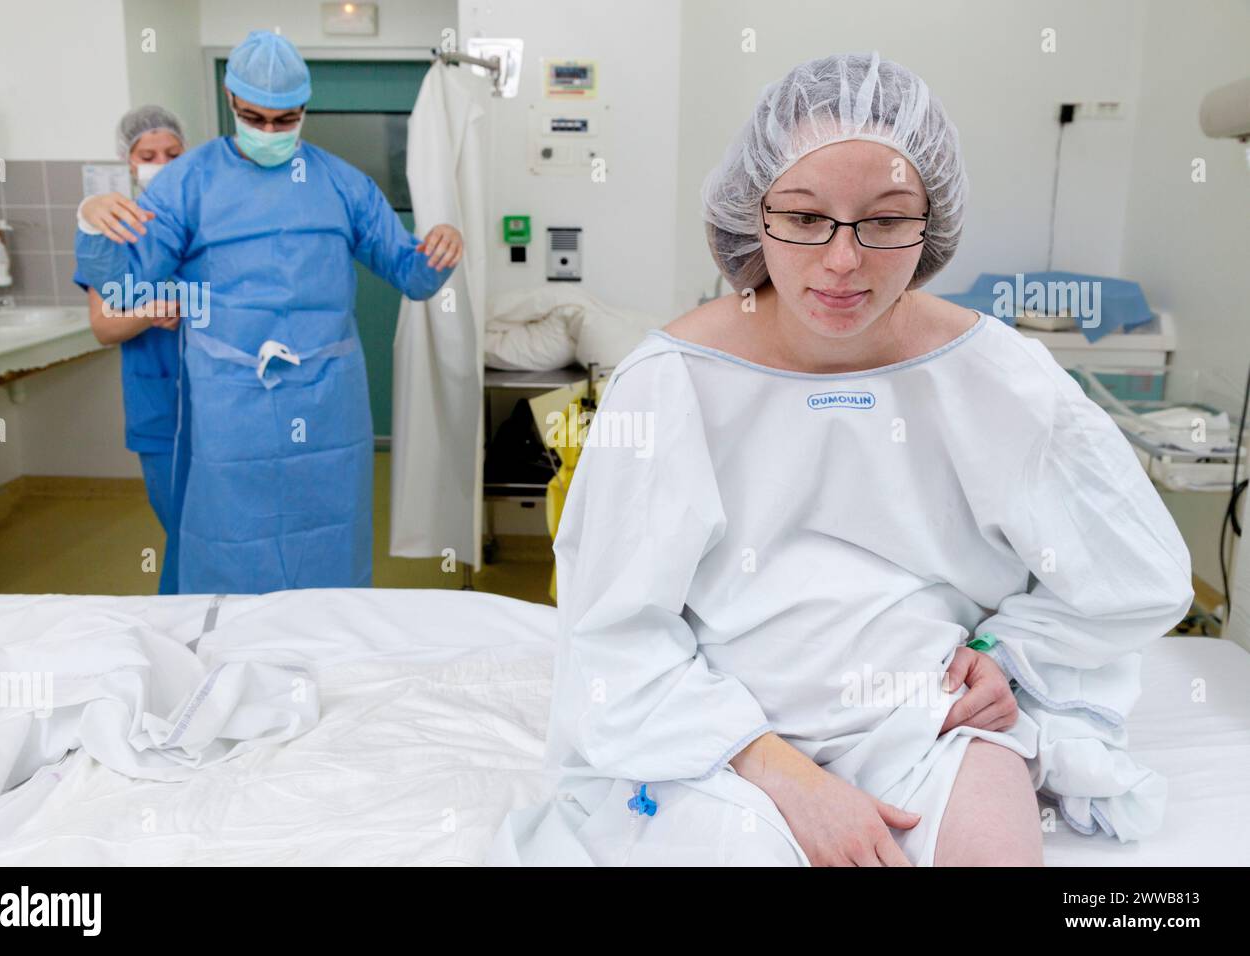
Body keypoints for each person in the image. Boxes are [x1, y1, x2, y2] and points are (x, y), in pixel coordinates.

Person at [487, 51, 1193, 866]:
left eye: (886, 220)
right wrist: (791, 781)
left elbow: (1136, 571)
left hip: (925, 720)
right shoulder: (671, 384)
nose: (842, 260)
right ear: (754, 214)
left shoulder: (996, 375)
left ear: (934, 224)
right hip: (718, 732)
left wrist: (1006, 654)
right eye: (804, 216)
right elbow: (611, 637)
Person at [73, 30, 463, 594]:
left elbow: (412, 273)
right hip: (231, 406)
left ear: (305, 109)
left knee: (327, 536)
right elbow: (124, 289)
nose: (271, 132)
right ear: (232, 102)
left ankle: (322, 660)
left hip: (328, 401)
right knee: (231, 542)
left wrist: (441, 244)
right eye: (256, 118)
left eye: (286, 120)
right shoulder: (190, 182)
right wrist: (93, 221)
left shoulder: (341, 183)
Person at [75, 106, 190, 595]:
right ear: (127, 160)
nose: (160, 163)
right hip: (157, 407)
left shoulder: (202, 218)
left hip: (222, 402)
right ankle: (186, 650)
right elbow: (104, 325)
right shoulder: (110, 226)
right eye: (148, 155)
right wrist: (152, 310)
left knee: (220, 536)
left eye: (173, 154)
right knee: (187, 538)